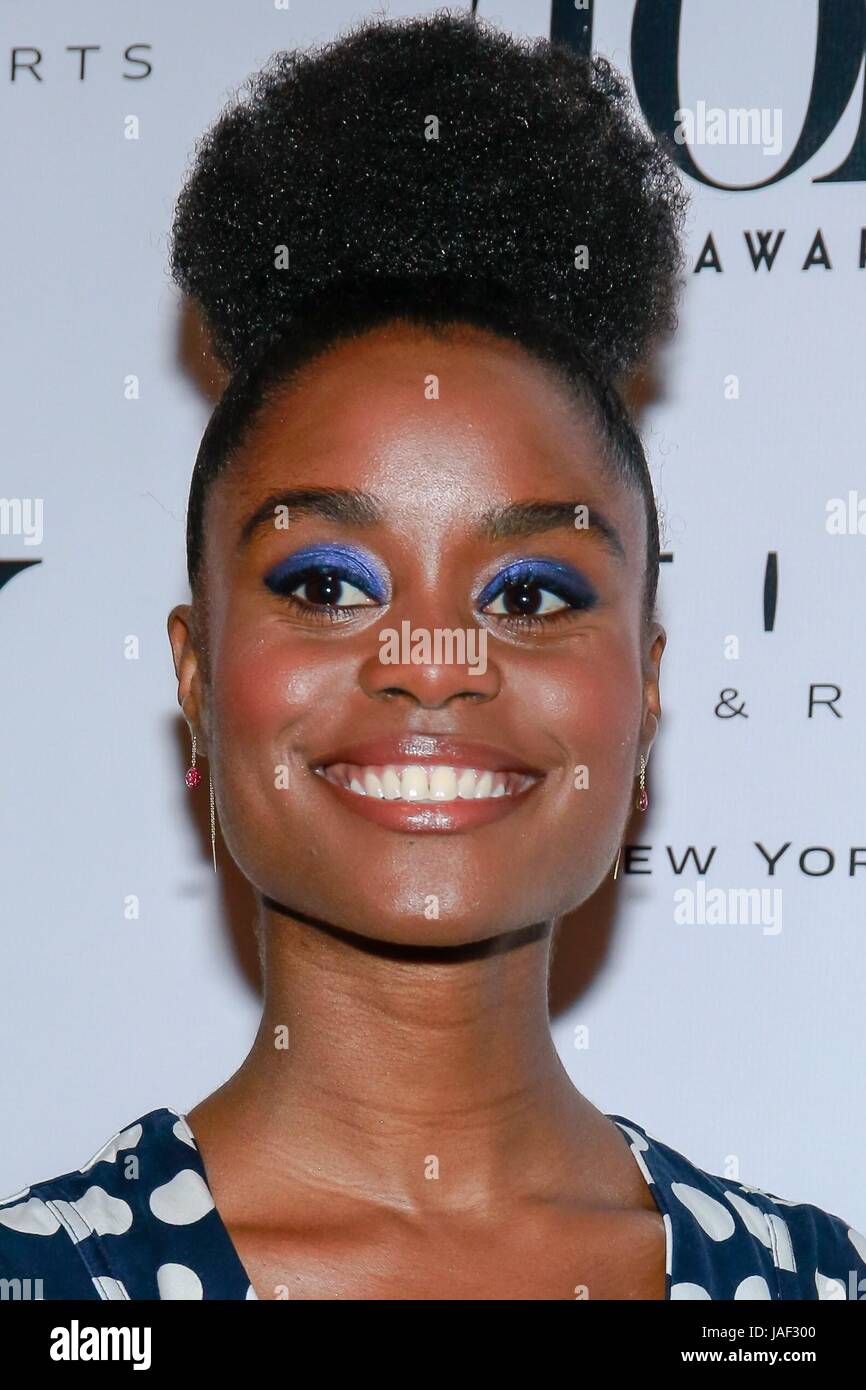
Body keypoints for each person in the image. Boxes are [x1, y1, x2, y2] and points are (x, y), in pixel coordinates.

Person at [2, 10, 863, 1301]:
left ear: (644, 688)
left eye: (527, 590)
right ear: (194, 674)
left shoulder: (802, 1298)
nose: (429, 655)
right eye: (326, 580)